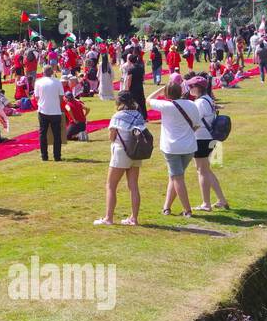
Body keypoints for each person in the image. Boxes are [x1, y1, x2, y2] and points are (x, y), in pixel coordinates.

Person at [149, 78, 200, 217]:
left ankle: (187, 210)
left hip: (172, 147)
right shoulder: (191, 104)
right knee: (175, 176)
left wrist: (161, 88)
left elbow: (149, 99)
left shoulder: (166, 105)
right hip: (189, 146)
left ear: (167, 94)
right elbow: (196, 125)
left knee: (177, 177)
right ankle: (166, 207)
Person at [96, 91, 146, 226]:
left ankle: (108, 218)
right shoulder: (138, 115)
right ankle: (134, 218)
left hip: (121, 152)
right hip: (136, 151)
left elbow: (111, 137)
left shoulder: (118, 116)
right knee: (133, 186)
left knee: (111, 185)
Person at [188, 75, 230, 211]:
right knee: (206, 171)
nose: (189, 89)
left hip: (201, 139)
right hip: (209, 138)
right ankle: (221, 200)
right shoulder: (208, 99)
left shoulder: (200, 103)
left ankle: (206, 203)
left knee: (202, 171)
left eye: (191, 86)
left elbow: (193, 121)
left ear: (198, 88)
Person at [35, 66, 64, 162]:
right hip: (55, 111)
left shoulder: (38, 82)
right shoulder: (57, 82)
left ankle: (44, 156)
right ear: (51, 72)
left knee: (43, 134)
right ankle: (57, 156)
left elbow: (37, 97)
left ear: (43, 72)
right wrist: (56, 104)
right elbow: (61, 97)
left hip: (43, 110)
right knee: (57, 135)